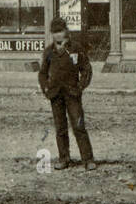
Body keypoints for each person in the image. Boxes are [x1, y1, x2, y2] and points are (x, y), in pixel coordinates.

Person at [37, 16, 94, 170]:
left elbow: (86, 69)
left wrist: (80, 87)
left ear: (66, 32)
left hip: (72, 94)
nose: (57, 35)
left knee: (79, 126)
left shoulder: (75, 48)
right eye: (54, 32)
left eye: (60, 31)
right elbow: (42, 73)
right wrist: (46, 89)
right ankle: (64, 158)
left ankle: (88, 160)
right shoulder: (49, 52)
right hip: (56, 95)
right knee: (60, 128)